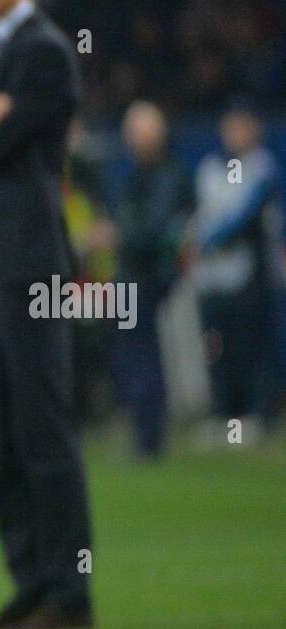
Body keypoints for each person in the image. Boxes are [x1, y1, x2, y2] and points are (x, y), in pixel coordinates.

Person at [0, 0, 94, 629]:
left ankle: (68, 590)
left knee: (42, 425)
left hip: (29, 262)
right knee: (3, 433)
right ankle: (31, 582)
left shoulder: (45, 50)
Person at [192, 99, 283, 441]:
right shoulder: (211, 168)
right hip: (216, 277)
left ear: (255, 130)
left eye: (242, 127)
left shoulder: (262, 165)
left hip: (252, 275)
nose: (235, 134)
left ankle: (256, 416)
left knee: (252, 346)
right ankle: (225, 419)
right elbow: (203, 213)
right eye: (230, 127)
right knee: (219, 346)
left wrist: (209, 238)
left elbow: (243, 215)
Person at [109, 102, 193, 458]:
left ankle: (149, 437)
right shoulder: (141, 176)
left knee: (143, 357)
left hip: (149, 281)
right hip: (134, 280)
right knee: (134, 356)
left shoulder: (167, 176)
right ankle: (144, 433)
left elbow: (155, 231)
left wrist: (116, 235)